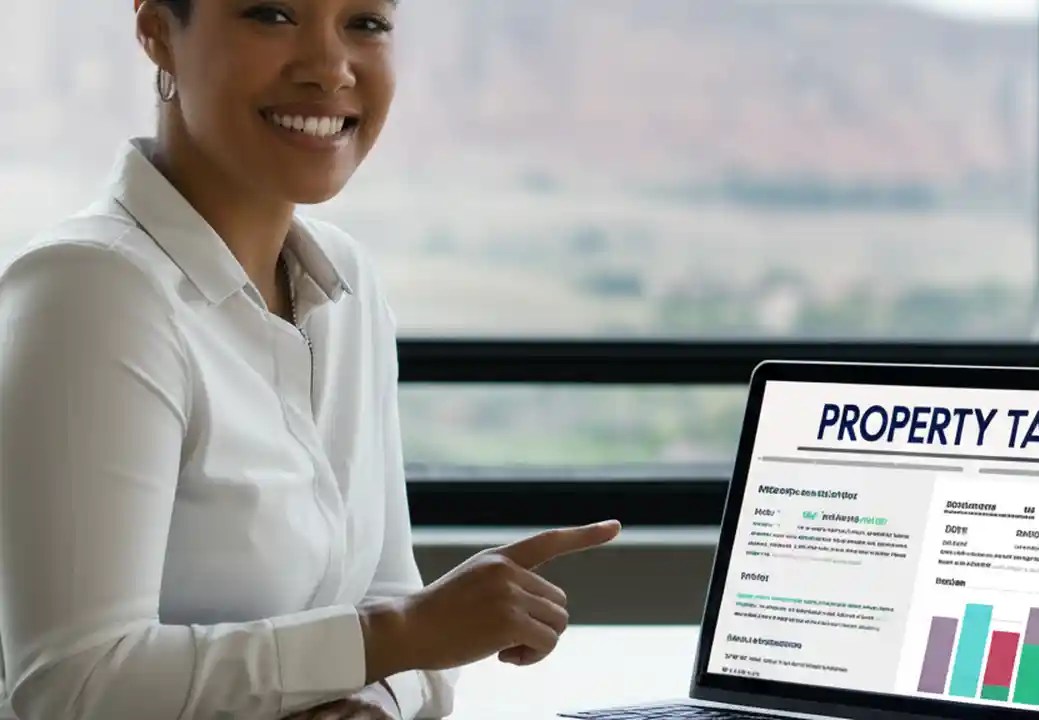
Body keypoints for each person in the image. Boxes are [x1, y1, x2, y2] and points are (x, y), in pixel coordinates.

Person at [0, 1, 622, 718]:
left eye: (366, 23)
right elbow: (74, 684)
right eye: (271, 14)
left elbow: (394, 604)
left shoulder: (348, 285)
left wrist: (378, 702)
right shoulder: (93, 290)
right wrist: (399, 636)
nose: (330, 67)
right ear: (158, 31)